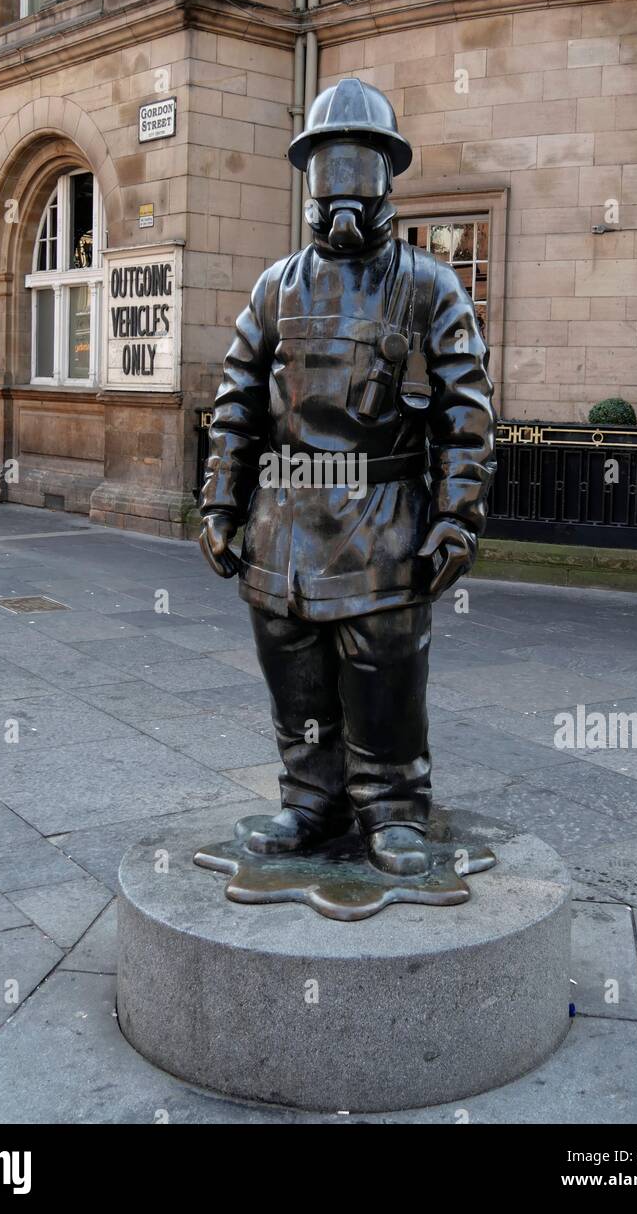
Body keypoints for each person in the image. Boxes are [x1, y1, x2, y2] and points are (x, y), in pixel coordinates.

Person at [200, 78, 496, 876]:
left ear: (385, 176)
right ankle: (309, 799)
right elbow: (234, 405)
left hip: (385, 517)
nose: (344, 190)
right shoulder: (274, 288)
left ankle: (393, 807)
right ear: (310, 177)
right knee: (294, 675)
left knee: (383, 673)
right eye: (330, 168)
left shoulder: (430, 287)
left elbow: (465, 414)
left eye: (358, 169)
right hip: (284, 522)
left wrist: (455, 516)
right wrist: (220, 504)